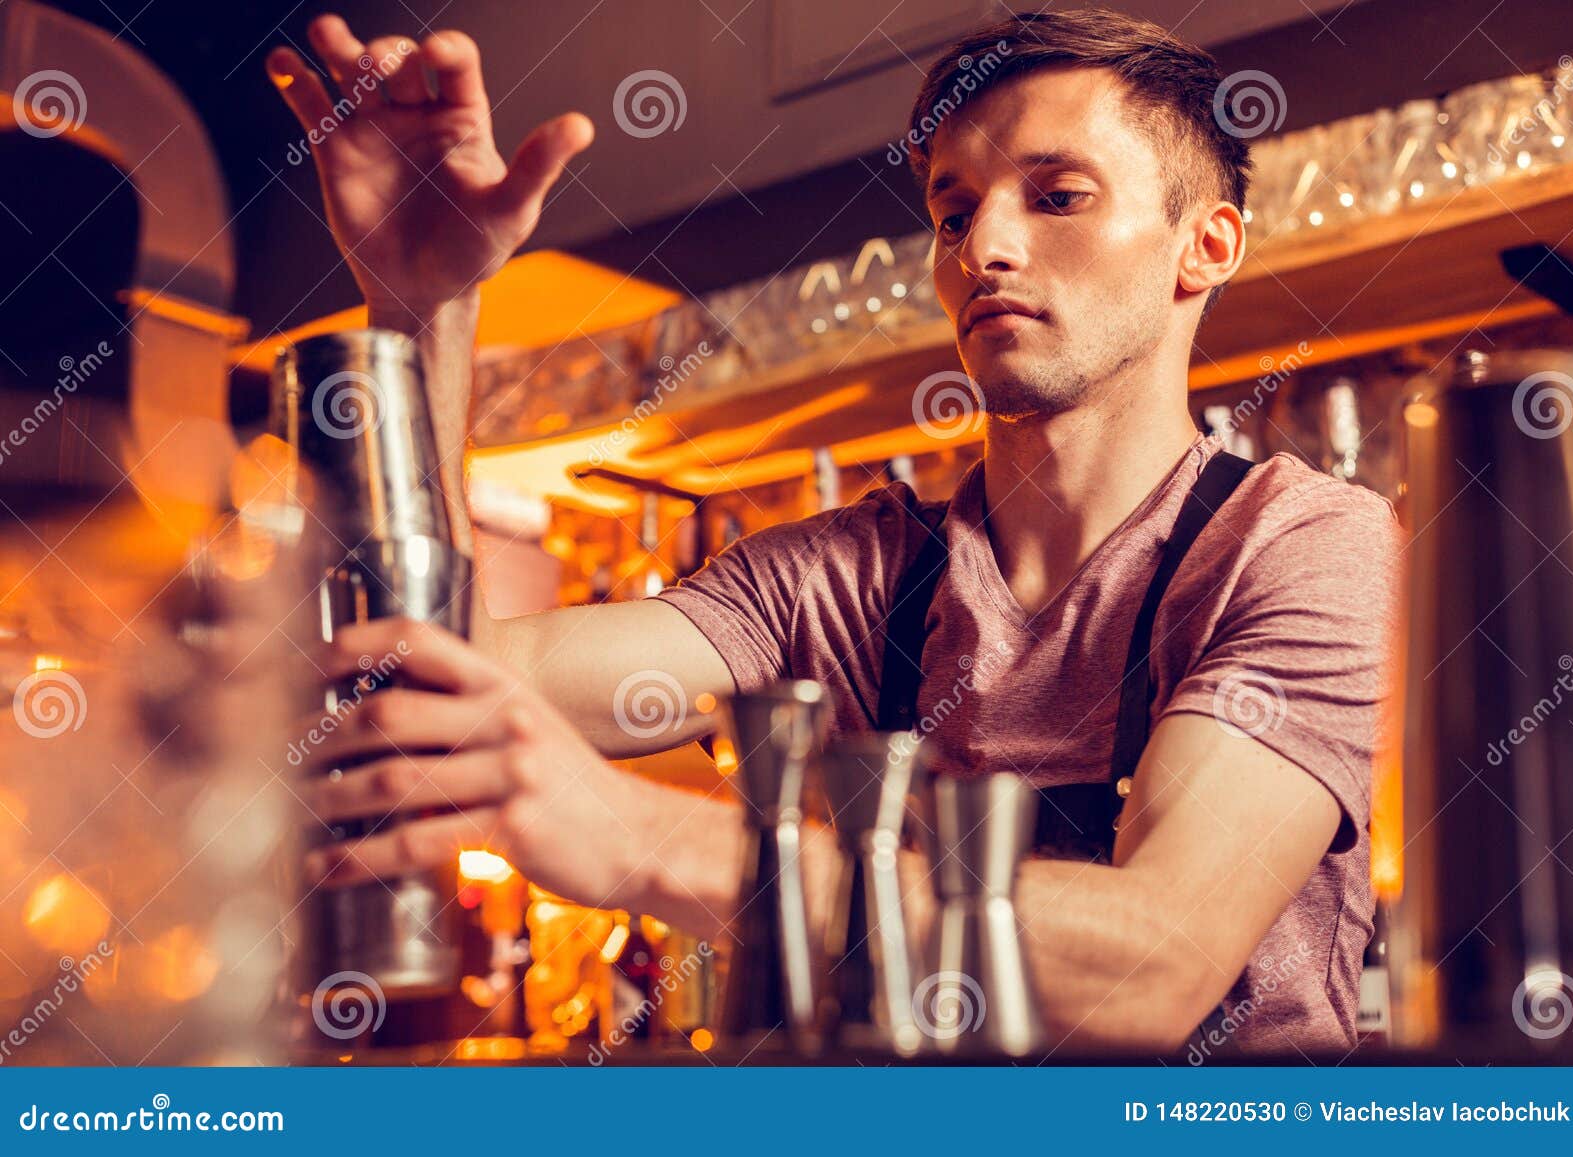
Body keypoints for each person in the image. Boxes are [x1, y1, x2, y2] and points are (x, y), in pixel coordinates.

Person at [266, 7, 1399, 1056]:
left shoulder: (1298, 542)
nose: (981, 250)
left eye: (1056, 197)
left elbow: (1157, 960)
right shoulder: (839, 578)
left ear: (1204, 244)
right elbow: (425, 675)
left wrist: (636, 833)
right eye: (953, 212)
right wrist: (423, 303)